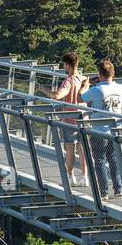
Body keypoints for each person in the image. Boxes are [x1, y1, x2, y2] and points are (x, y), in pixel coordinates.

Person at [39, 53, 89, 187]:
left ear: (67, 65)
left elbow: (57, 95)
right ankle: (85, 177)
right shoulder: (84, 79)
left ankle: (70, 176)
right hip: (83, 117)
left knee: (70, 147)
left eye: (64, 65)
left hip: (70, 118)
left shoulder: (68, 81)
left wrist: (43, 89)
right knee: (83, 148)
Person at [81, 58, 122, 200]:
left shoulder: (96, 89)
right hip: (115, 130)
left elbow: (82, 97)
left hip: (98, 131)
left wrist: (85, 85)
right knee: (113, 159)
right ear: (113, 73)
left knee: (100, 160)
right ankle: (118, 188)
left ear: (100, 74)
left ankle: (104, 192)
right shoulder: (121, 88)